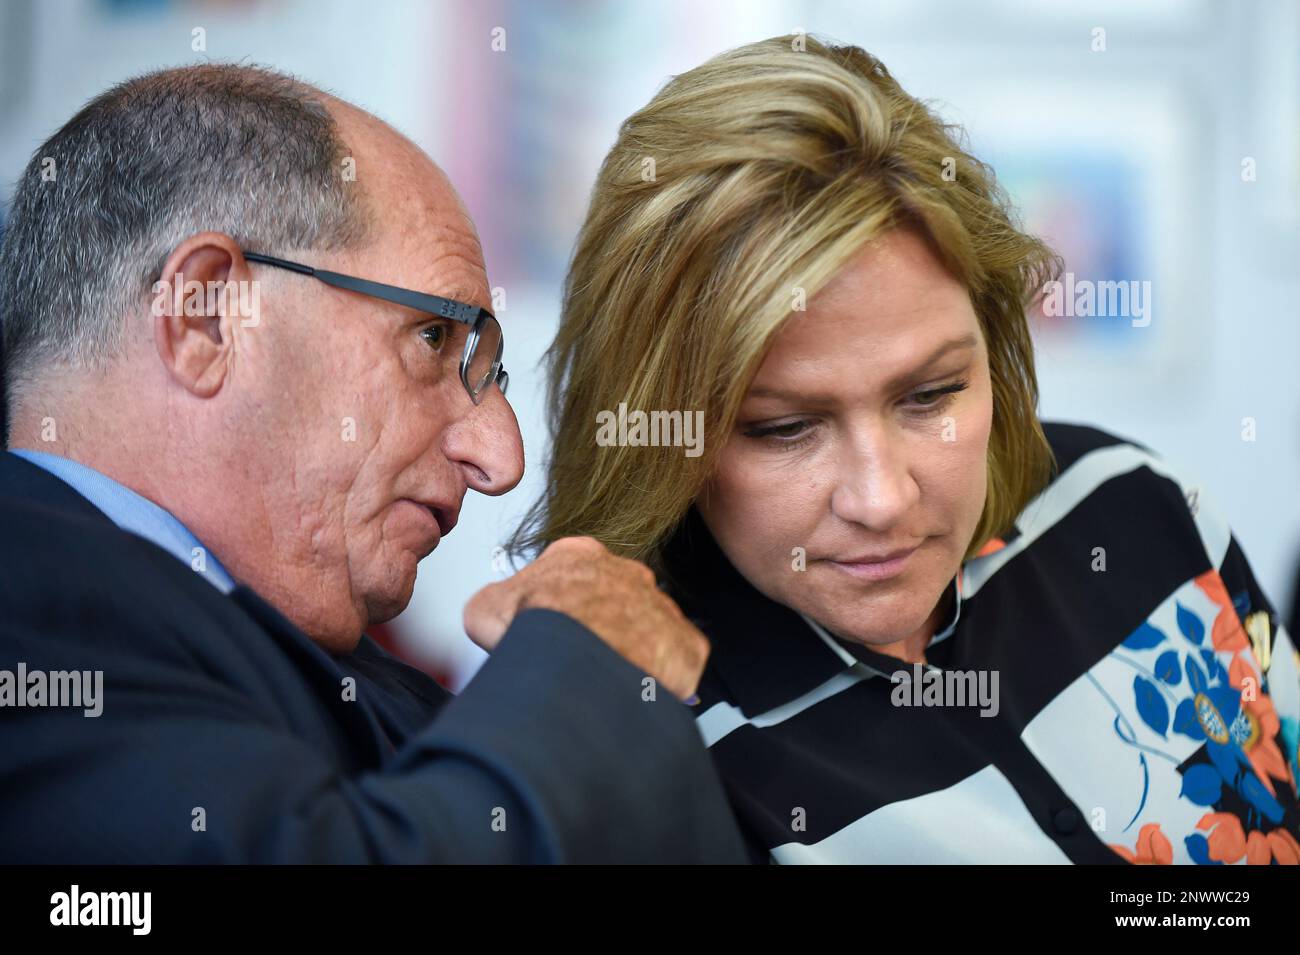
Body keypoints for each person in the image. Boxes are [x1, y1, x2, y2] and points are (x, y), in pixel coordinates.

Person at [512, 36, 1300, 864]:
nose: (882, 497)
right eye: (784, 428)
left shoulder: (1133, 504)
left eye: (930, 396)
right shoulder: (650, 745)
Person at [0, 65, 746, 863]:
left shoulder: (345, 663)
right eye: (433, 339)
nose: (501, 459)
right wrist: (584, 661)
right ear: (207, 317)